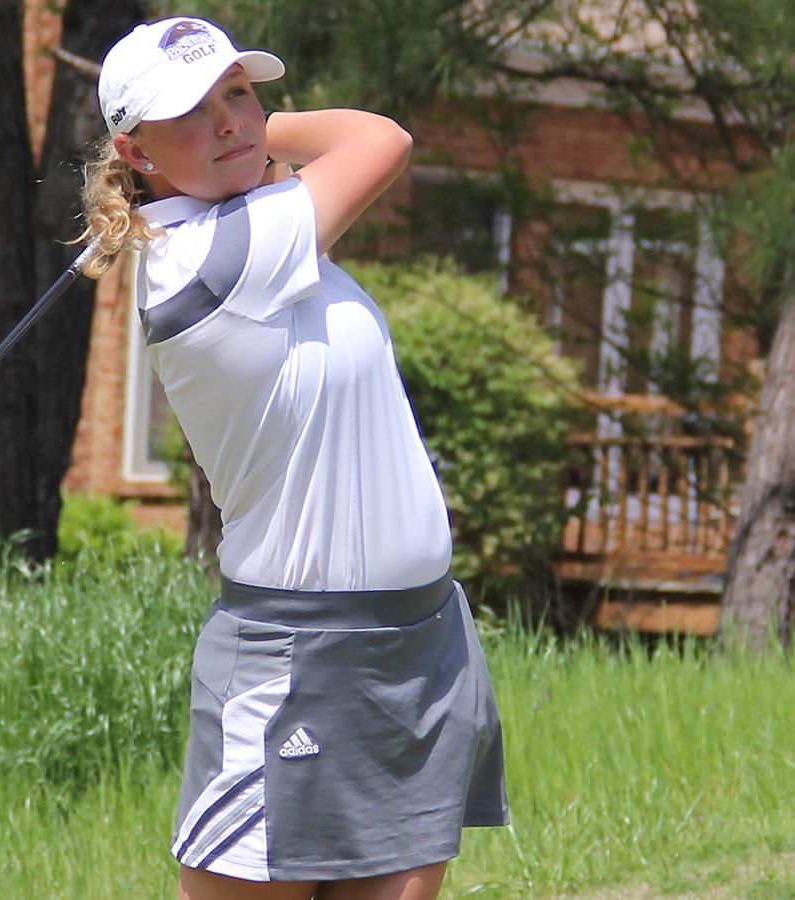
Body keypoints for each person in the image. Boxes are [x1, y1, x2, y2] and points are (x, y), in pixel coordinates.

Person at [78, 17, 508, 900]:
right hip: (299, 658)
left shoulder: (255, 226)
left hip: (420, 644)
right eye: (191, 112)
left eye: (240, 93)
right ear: (136, 148)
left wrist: (239, 146)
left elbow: (290, 163)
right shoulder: (215, 255)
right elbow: (378, 138)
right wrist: (264, 145)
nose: (232, 121)